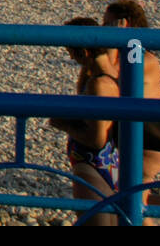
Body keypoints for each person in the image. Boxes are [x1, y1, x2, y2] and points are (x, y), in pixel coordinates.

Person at [48, 17, 119, 226]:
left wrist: (63, 124)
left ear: (83, 52)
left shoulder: (99, 85)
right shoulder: (106, 72)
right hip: (104, 162)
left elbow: (97, 139)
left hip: (92, 162)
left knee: (95, 220)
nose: (71, 58)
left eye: (71, 53)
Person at [103, 1, 160, 194]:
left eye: (107, 25)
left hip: (149, 133)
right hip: (147, 129)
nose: (103, 29)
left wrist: (110, 45)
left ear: (123, 24)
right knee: (133, 193)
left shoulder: (140, 57)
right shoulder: (136, 53)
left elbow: (110, 80)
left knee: (133, 194)